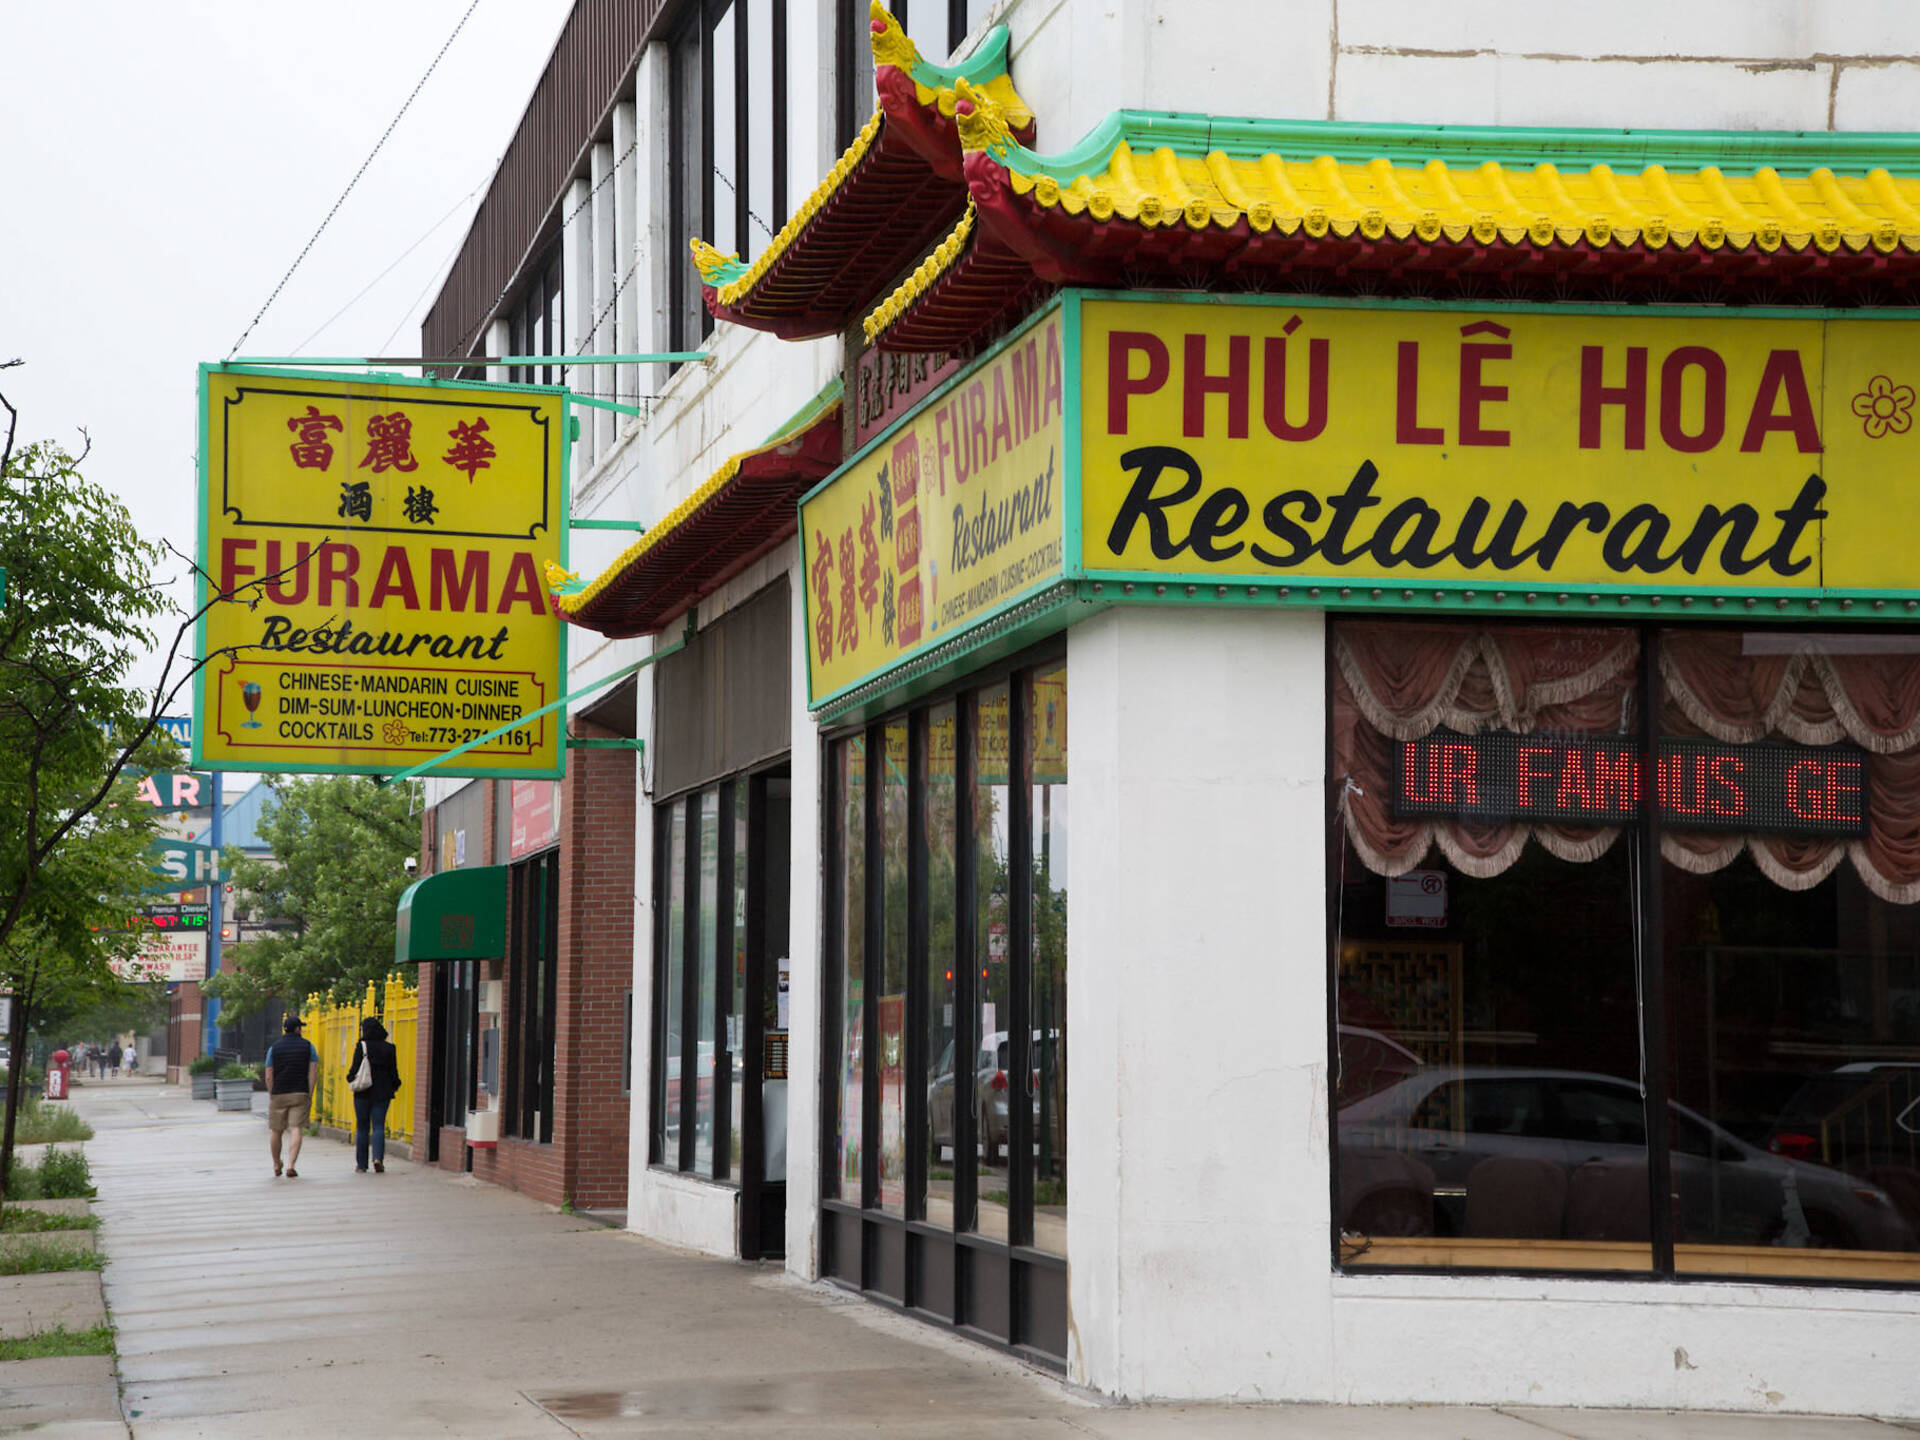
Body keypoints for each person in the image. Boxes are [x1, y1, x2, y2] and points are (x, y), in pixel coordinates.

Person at [263, 1016, 318, 1178]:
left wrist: (272, 1092)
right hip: (300, 1092)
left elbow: (268, 1074)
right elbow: (312, 1073)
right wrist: (309, 1092)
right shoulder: (309, 1047)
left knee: (276, 1130)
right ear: (297, 1029)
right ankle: (291, 1164)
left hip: (279, 1093)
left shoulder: (274, 1048)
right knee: (296, 1129)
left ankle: (276, 1163)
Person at [347, 1015, 402, 1174]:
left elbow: (354, 1069)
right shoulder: (390, 1048)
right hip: (383, 1092)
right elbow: (394, 1072)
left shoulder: (362, 1046)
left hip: (363, 1092)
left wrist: (350, 1078)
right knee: (378, 1126)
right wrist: (395, 1085)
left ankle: (361, 1165)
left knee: (362, 1127)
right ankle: (378, 1158)